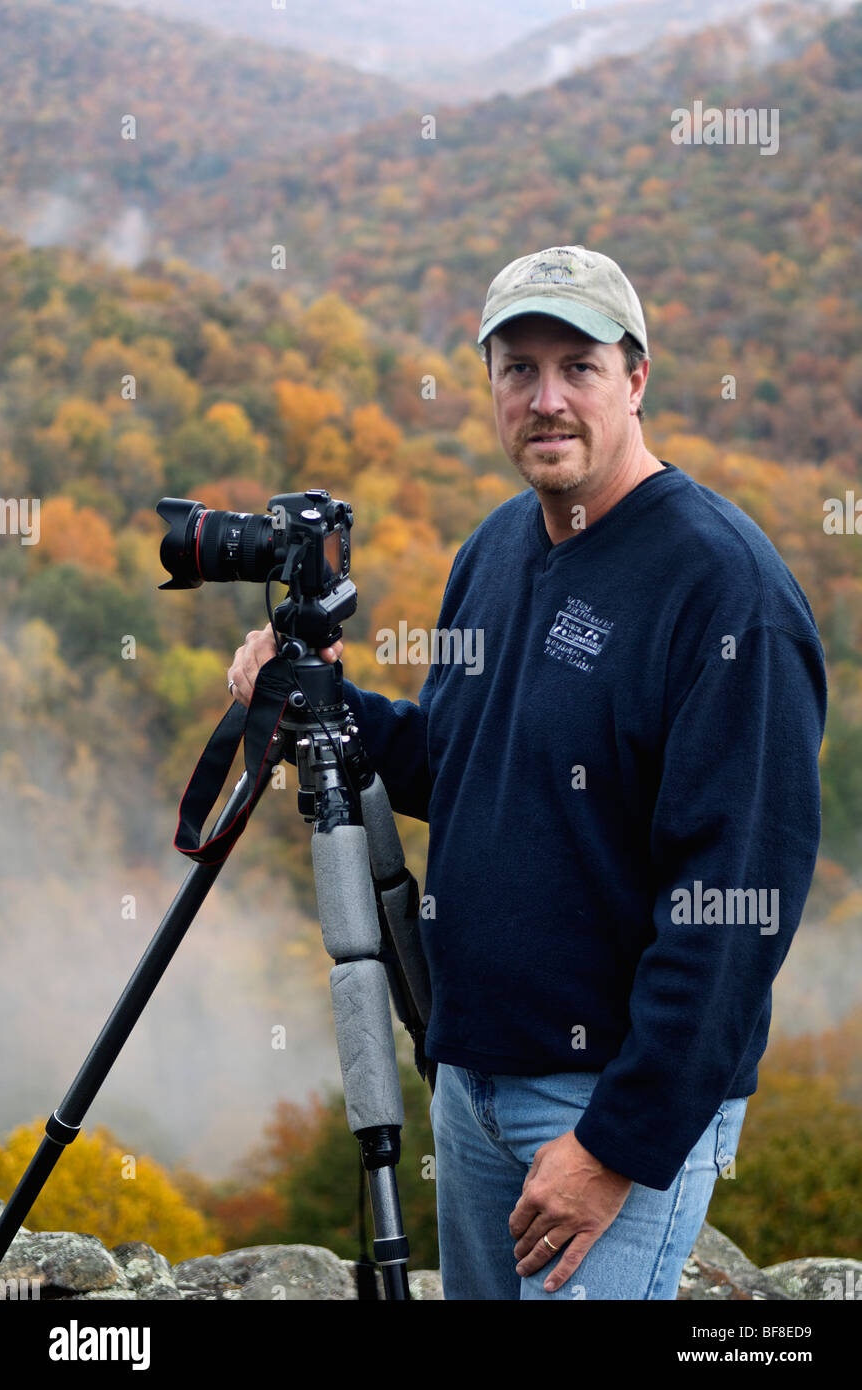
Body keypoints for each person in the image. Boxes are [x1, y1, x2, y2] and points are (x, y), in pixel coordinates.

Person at [228, 245, 826, 1300]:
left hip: (603, 1106)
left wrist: (612, 1146)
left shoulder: (724, 593)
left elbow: (734, 910)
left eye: (576, 366)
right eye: (517, 368)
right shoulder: (496, 549)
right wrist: (319, 701)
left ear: (634, 378)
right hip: (472, 1085)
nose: (545, 399)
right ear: (491, 387)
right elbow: (461, 762)